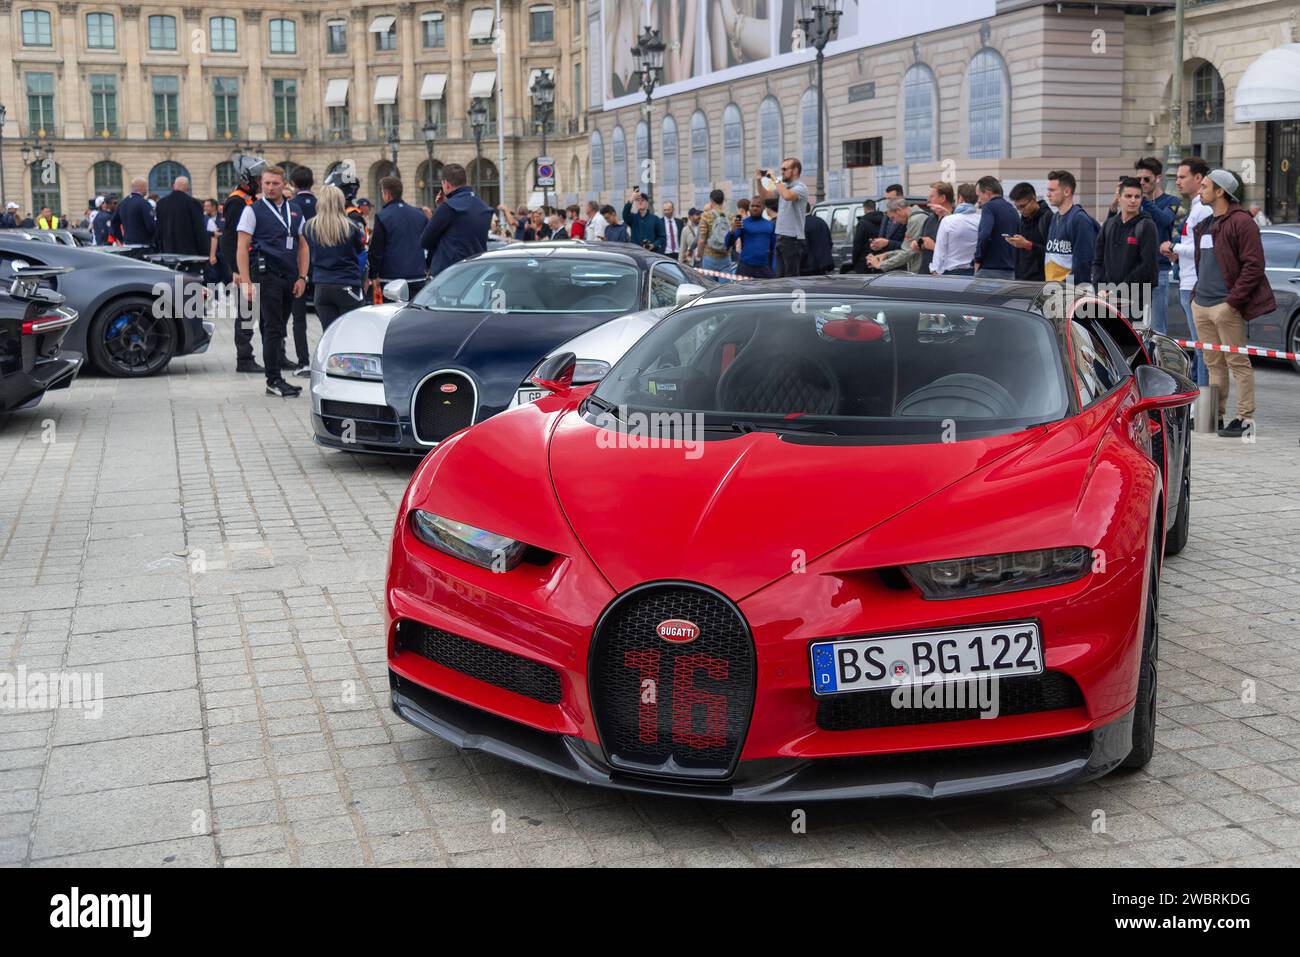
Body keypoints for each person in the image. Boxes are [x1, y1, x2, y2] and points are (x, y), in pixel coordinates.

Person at [1192, 169, 1275, 438]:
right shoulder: (1205, 224)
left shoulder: (1242, 222)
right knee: (1213, 364)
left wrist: (1232, 302)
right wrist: (1195, 296)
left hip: (1225, 306)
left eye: (1205, 186)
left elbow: (1254, 266)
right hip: (1201, 304)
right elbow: (1203, 264)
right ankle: (1215, 415)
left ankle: (1245, 418)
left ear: (1220, 192)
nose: (1200, 190)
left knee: (1237, 362)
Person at [235, 165, 309, 398]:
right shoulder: (252, 210)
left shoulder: (295, 210)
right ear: (261, 184)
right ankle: (273, 379)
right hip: (267, 277)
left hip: (290, 277)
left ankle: (277, 377)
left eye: (275, 183)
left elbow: (303, 245)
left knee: (280, 327)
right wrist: (246, 282)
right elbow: (241, 248)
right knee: (273, 328)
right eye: (266, 183)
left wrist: (302, 276)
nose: (270, 187)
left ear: (284, 184)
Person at [1164, 156, 1213, 386]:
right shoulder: (1196, 208)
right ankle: (1200, 396)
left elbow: (1201, 247)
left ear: (1198, 178)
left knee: (1202, 347)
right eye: (1176, 177)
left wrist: (1174, 247)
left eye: (1182, 177)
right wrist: (1177, 252)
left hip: (1194, 282)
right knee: (1198, 346)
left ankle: (1203, 399)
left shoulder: (1202, 209)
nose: (1178, 182)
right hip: (1187, 279)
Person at [222, 155, 267, 373]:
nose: (261, 182)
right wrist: (235, 270)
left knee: (263, 311)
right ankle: (244, 358)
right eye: (258, 178)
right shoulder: (236, 201)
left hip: (256, 263)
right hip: (244, 265)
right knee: (247, 312)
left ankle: (274, 353)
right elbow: (230, 239)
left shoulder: (250, 199)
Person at [303, 184, 368, 332]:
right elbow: (361, 254)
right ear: (340, 202)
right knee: (352, 332)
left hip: (321, 287)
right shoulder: (350, 227)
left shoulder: (309, 227)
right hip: (347, 284)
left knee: (329, 333)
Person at [1092, 177, 1158, 321]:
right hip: (1108, 298)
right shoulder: (1109, 225)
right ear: (1119, 197)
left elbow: (1147, 266)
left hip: (1136, 299)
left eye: (1137, 196)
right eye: (1128, 196)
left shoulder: (1147, 226)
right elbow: (1097, 261)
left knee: (1131, 343)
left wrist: (1119, 289)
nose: (1133, 200)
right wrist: (1099, 287)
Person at [1129, 157, 1179, 334]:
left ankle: (1157, 362)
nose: (1142, 183)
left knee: (1157, 329)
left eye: (1146, 179)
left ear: (1158, 178)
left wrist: (1145, 201)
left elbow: (1165, 220)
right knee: (1135, 326)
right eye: (1138, 179)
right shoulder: (1136, 203)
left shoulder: (1171, 201)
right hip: (1135, 270)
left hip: (1159, 270)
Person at [419, 163, 494, 279]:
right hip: (476, 271)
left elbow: (426, 241)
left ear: (446, 184)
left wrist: (441, 208)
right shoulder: (483, 206)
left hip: (450, 274)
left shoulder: (449, 207)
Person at [370, 175, 432, 304]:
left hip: (391, 277)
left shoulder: (382, 216)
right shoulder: (419, 215)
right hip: (417, 275)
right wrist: (426, 265)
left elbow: (377, 249)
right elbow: (431, 242)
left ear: (387, 194)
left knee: (393, 316)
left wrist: (373, 274)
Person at [285, 166, 318, 373]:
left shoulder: (290, 206)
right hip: (322, 267)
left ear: (293, 184)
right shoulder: (320, 205)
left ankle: (303, 361)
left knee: (299, 319)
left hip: (299, 269)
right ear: (312, 182)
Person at [1043, 169, 1099, 286]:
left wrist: (1065, 289)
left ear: (1067, 191)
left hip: (1070, 291)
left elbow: (1083, 264)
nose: (1048, 194)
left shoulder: (1080, 220)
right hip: (1054, 289)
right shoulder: (1055, 217)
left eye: (1052, 190)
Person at [755, 158, 810, 277]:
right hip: (781, 237)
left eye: (784, 169)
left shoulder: (801, 188)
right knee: (779, 277)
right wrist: (759, 181)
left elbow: (787, 196)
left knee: (791, 277)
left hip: (793, 238)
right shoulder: (783, 186)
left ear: (795, 171)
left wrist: (774, 178)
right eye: (781, 169)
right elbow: (765, 196)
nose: (782, 172)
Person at [931, 183, 981, 276]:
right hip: (974, 271)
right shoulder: (981, 220)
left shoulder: (948, 221)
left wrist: (935, 270)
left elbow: (940, 249)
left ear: (960, 198)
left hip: (952, 272)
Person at [973, 176, 1019, 278]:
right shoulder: (1013, 210)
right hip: (1010, 272)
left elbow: (984, 235)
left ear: (988, 192)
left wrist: (978, 259)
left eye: (979, 196)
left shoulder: (989, 207)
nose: (979, 201)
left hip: (989, 270)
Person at [867, 199, 928, 273]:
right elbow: (908, 250)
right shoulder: (917, 217)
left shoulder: (915, 220)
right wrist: (887, 255)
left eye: (893, 218)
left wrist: (881, 265)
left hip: (921, 271)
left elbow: (907, 252)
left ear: (899, 210)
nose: (895, 222)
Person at [1005, 182, 1049, 282]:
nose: (1021, 210)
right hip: (1021, 279)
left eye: (1023, 206)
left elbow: (1053, 254)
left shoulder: (1048, 218)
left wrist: (1027, 245)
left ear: (1033, 199)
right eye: (1017, 207)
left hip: (1040, 281)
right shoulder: (1024, 219)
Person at [153, 176, 207, 256]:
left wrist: (159, 248)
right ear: (187, 188)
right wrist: (204, 252)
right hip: (189, 252)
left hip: (167, 251)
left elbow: (158, 229)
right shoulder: (193, 203)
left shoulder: (161, 203)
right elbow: (199, 230)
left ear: (174, 186)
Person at [727, 198, 776, 278]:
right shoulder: (741, 222)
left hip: (763, 267)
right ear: (749, 207)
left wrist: (773, 268)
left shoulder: (770, 225)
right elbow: (729, 243)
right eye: (752, 206)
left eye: (758, 206)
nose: (755, 208)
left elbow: (774, 248)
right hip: (745, 266)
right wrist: (732, 230)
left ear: (763, 207)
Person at [914, 181, 953, 275]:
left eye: (932, 196)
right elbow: (922, 240)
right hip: (925, 273)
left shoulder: (955, 220)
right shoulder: (930, 219)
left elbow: (957, 252)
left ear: (942, 198)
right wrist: (918, 244)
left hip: (945, 275)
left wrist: (934, 247)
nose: (928, 199)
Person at [111, 177, 157, 246]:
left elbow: (114, 222)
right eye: (146, 187)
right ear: (142, 187)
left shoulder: (123, 203)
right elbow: (151, 226)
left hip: (127, 245)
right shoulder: (144, 203)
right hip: (142, 245)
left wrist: (121, 238)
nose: (147, 189)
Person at [697, 189, 732, 272]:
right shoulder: (731, 216)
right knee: (725, 285)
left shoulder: (706, 216)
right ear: (723, 200)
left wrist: (699, 254)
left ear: (711, 200)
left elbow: (702, 240)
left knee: (709, 284)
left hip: (709, 256)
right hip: (725, 256)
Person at [850, 199, 885, 274]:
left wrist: (854, 261)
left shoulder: (862, 223)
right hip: (881, 260)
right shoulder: (885, 220)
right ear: (875, 208)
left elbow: (857, 243)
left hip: (864, 262)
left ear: (865, 208)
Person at [801, 209, 835, 274]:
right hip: (824, 266)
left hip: (808, 268)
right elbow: (829, 242)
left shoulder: (802, 224)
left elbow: (803, 247)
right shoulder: (821, 221)